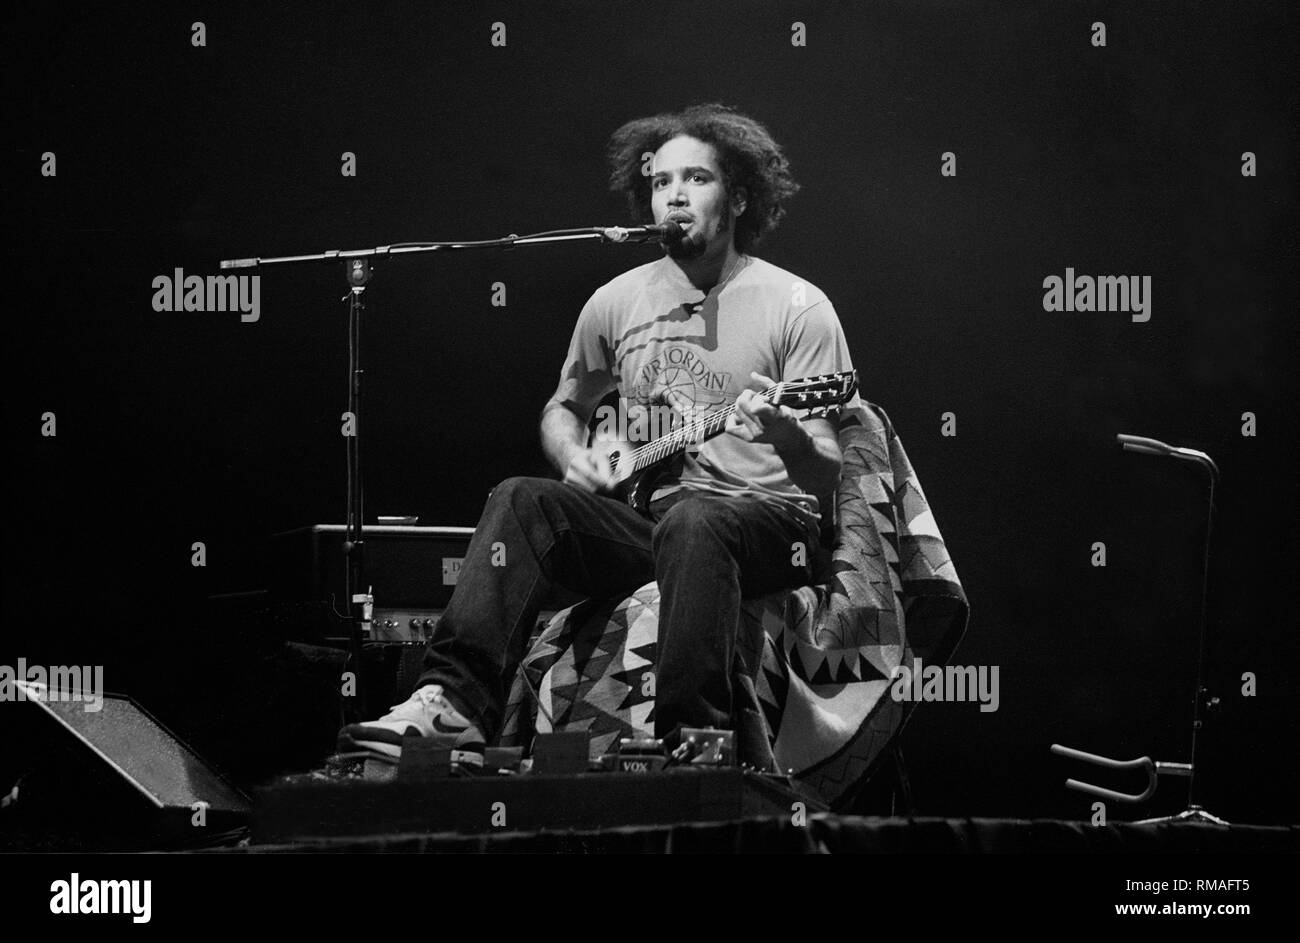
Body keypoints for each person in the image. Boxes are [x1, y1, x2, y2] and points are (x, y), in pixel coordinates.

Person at [339, 103, 859, 765]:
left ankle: (692, 743)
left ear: (738, 197)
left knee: (698, 520)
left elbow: (826, 471)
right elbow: (563, 408)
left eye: (696, 179)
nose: (673, 193)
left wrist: (786, 433)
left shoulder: (797, 305)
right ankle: (452, 702)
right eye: (660, 181)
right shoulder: (616, 302)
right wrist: (577, 455)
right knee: (524, 499)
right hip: (661, 530)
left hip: (769, 526)